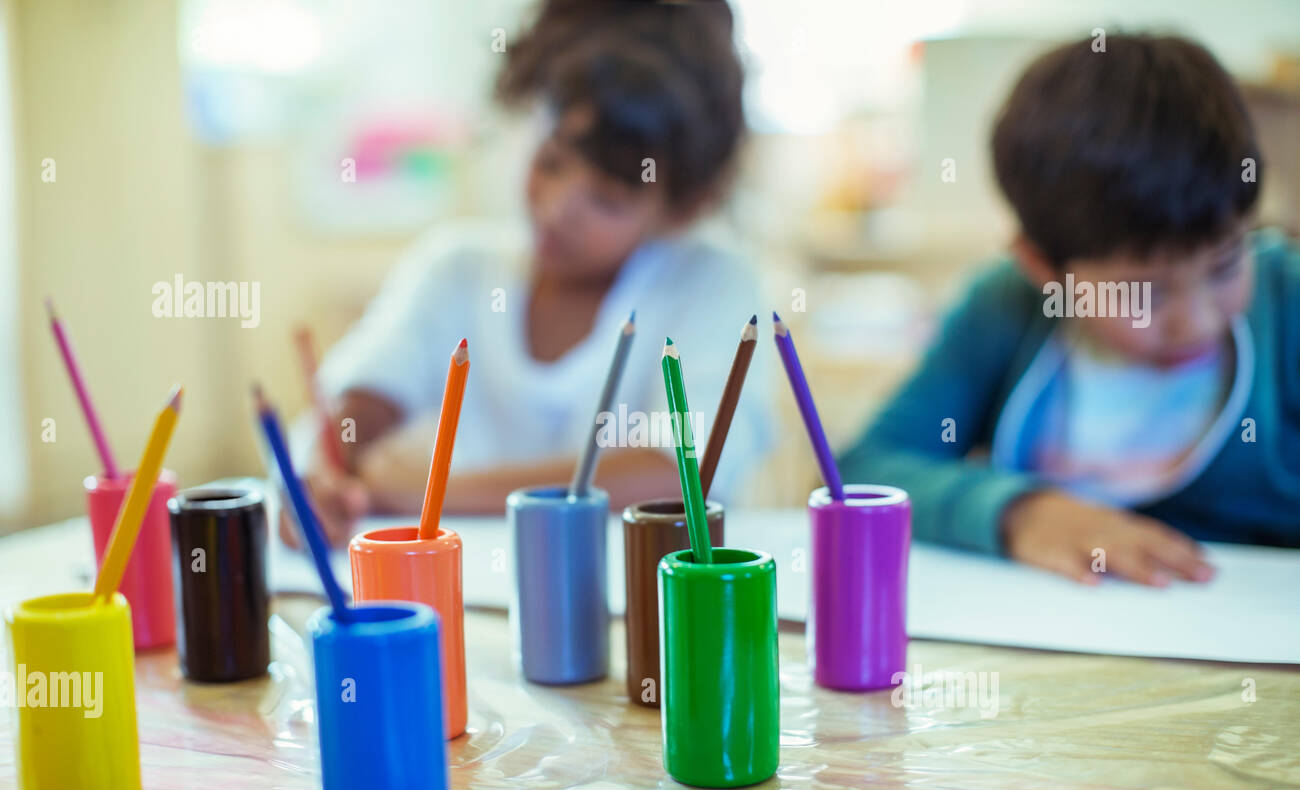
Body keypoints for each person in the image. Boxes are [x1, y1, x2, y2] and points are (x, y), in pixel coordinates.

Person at [292, 0, 768, 545]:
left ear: (681, 209)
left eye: (608, 199)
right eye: (550, 162)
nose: (557, 208)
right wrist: (320, 478)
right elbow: (342, 423)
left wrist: (434, 494)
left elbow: (680, 475)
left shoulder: (712, 285)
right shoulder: (456, 272)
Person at [839, 34, 1300, 586]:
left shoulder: (1285, 302)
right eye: (1144, 295)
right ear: (1043, 267)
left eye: (1225, 266)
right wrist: (1023, 513)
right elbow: (866, 471)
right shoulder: (1005, 307)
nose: (1197, 320)